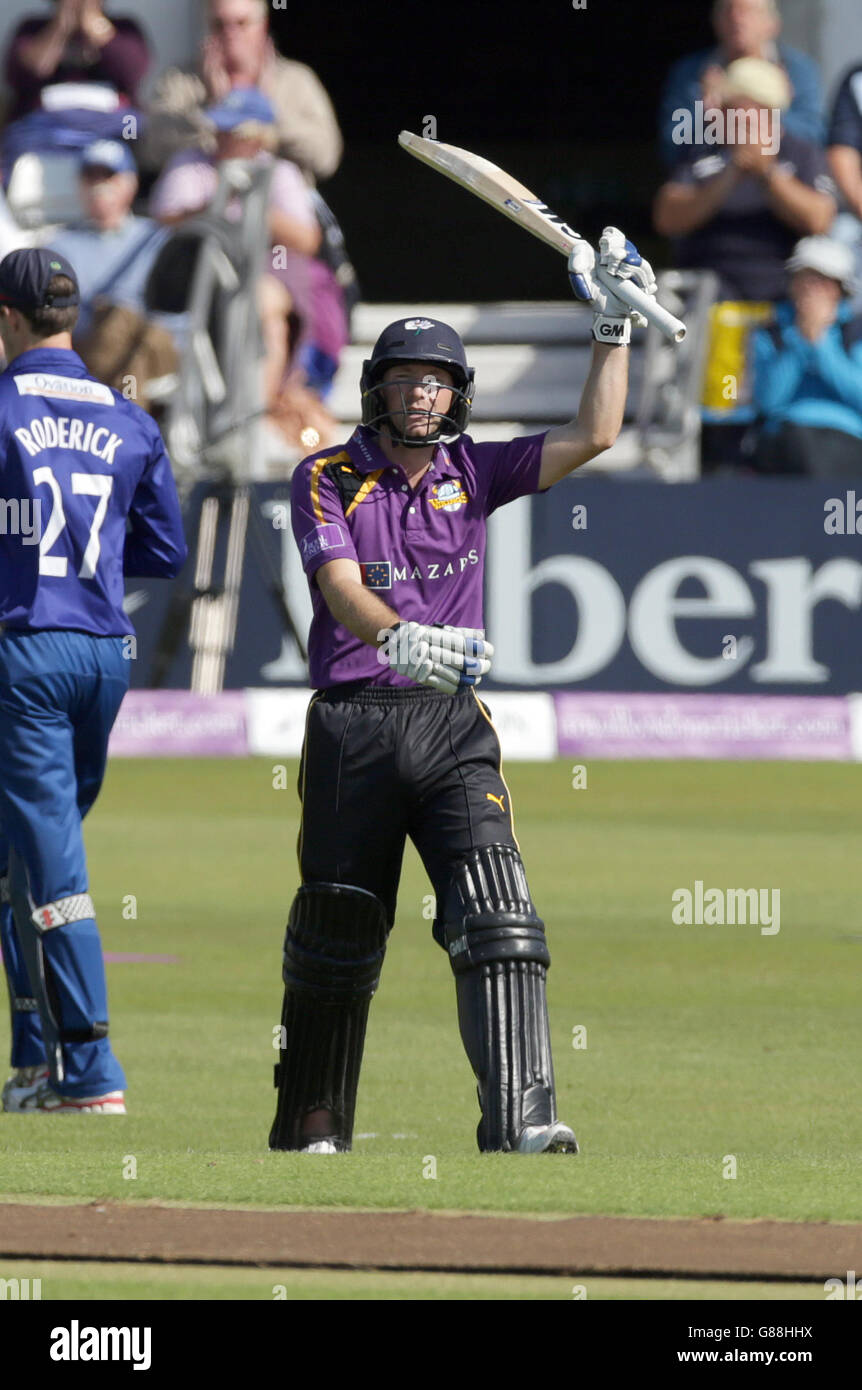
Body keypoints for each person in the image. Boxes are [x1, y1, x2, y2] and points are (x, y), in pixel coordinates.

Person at [269, 229, 657, 1155]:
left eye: (437, 379)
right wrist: (399, 635)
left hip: (451, 729)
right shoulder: (326, 475)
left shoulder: (474, 471)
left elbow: (595, 433)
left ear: (458, 394)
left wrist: (614, 327)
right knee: (338, 931)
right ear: (377, 389)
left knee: (500, 920)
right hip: (353, 726)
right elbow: (338, 585)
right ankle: (315, 1126)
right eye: (405, 378)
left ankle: (521, 1121)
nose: (421, 393)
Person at [0, 247, 186, 1114]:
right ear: (67, 316)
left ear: (7, 316)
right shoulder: (129, 418)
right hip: (103, 653)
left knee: (52, 864)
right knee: (24, 857)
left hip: (25, 652)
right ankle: (36, 1062)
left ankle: (93, 1068)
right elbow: (165, 550)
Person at [150, 88, 347, 410]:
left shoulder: (280, 173)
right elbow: (164, 223)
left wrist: (252, 203)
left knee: (264, 309)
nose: (222, 138)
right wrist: (216, 203)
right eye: (219, 128)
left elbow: (307, 240)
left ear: (259, 137)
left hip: (269, 273)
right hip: (192, 278)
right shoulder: (190, 165)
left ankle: (255, 412)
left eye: (234, 131)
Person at [144, 0, 342, 184]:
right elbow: (152, 150)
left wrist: (265, 112)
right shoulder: (180, 80)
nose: (230, 33)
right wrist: (214, 110)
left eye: (242, 23)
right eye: (219, 24)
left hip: (280, 209)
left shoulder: (296, 81)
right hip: (201, 206)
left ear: (263, 25)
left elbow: (326, 158)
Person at [658, 0, 822, 168]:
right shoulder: (690, 73)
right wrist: (710, 114)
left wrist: (761, 108)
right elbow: (672, 147)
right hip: (712, 181)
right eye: (729, 10)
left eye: (748, 11)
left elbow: (813, 139)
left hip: (782, 177)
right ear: (715, 20)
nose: (737, 19)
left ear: (772, 23)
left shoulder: (797, 70)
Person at [750, 235, 862, 474]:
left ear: (839, 288)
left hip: (848, 439)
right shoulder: (772, 332)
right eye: (803, 279)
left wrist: (820, 344)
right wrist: (800, 340)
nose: (810, 289)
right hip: (786, 436)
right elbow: (769, 402)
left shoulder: (855, 332)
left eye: (821, 281)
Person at [49, 140, 167, 338]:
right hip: (84, 353)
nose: (99, 185)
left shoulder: (156, 238)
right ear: (79, 185)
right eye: (91, 176)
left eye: (108, 175)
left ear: (131, 183)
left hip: (143, 350)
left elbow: (174, 314)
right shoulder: (58, 246)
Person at [3, 0, 149, 124]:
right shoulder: (30, 29)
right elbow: (31, 70)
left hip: (114, 130)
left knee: (130, 133)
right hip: (42, 130)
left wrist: (94, 25)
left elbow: (131, 74)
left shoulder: (126, 28)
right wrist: (60, 27)